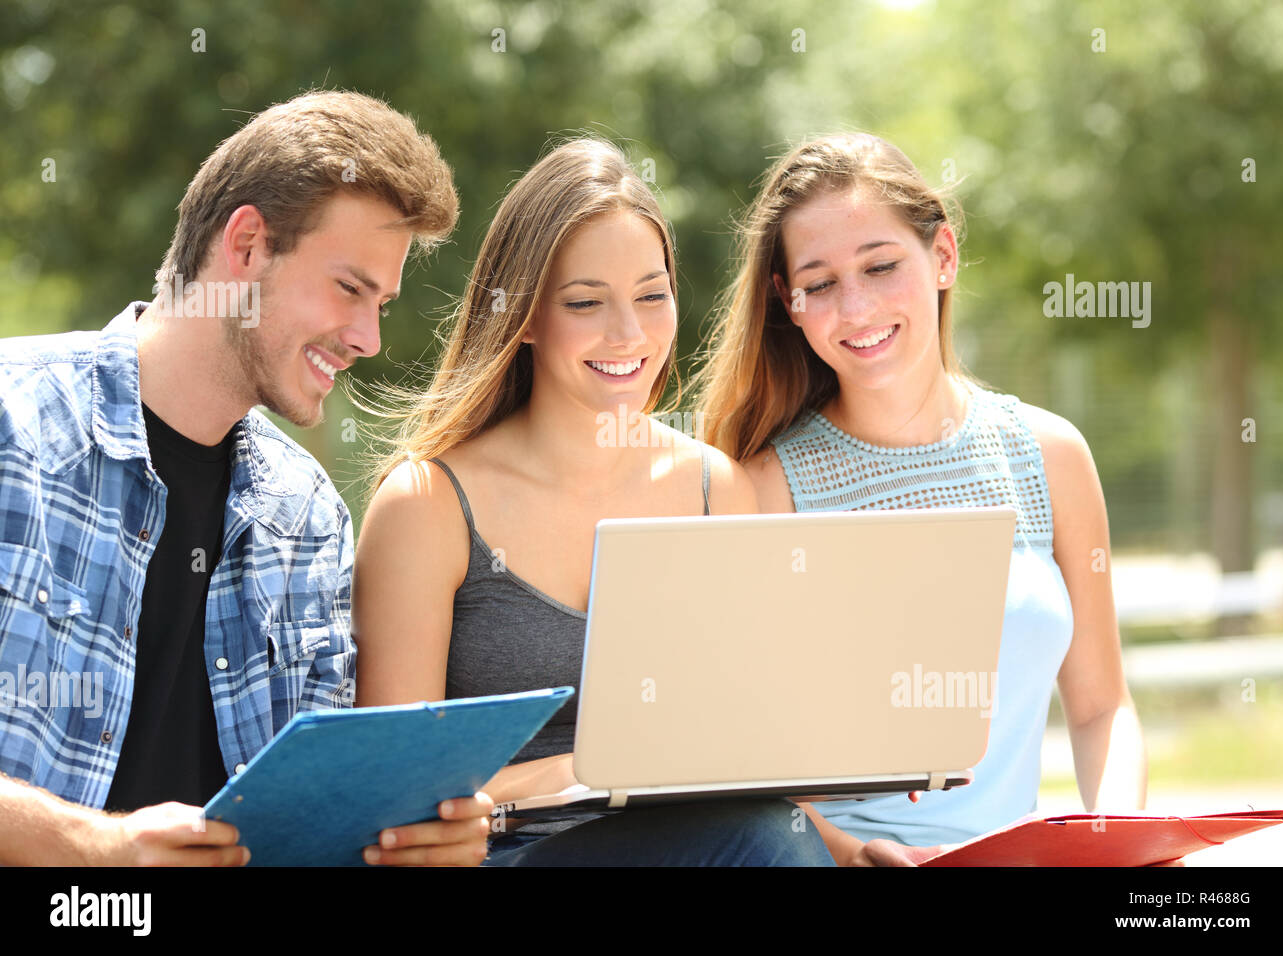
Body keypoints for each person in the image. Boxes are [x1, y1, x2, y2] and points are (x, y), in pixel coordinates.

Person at [0, 90, 493, 866]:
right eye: (348, 288)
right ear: (248, 245)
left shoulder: (310, 518)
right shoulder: (14, 427)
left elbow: (311, 827)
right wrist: (92, 848)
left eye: (383, 304)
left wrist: (410, 838)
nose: (367, 337)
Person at [351, 137, 834, 866]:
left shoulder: (718, 491)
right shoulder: (428, 504)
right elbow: (395, 797)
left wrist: (848, 841)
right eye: (586, 302)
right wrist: (583, 773)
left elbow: (753, 748)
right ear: (525, 317)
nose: (628, 334)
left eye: (651, 295)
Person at [691, 132, 1149, 866]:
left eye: (880, 266)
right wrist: (849, 853)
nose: (858, 306)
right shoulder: (759, 491)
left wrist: (1120, 842)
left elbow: (1101, 709)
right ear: (790, 301)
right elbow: (744, 767)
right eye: (822, 282)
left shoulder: (1052, 456)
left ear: (943, 256)